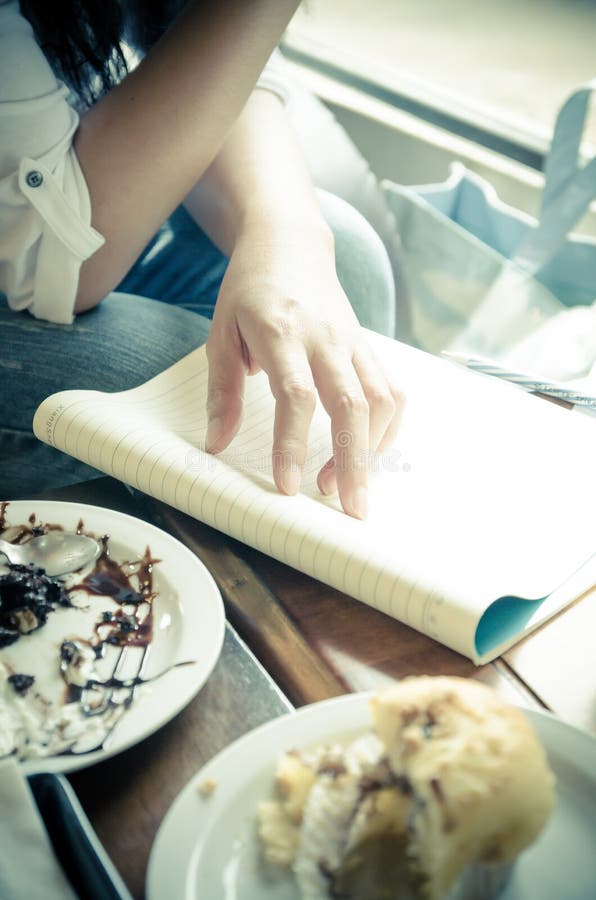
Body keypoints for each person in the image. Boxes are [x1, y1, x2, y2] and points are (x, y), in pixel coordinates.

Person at [0, 0, 403, 517]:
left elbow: (213, 55)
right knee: (189, 388)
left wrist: (288, 233)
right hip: (35, 250)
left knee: (345, 260)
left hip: (59, 187)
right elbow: (52, 258)